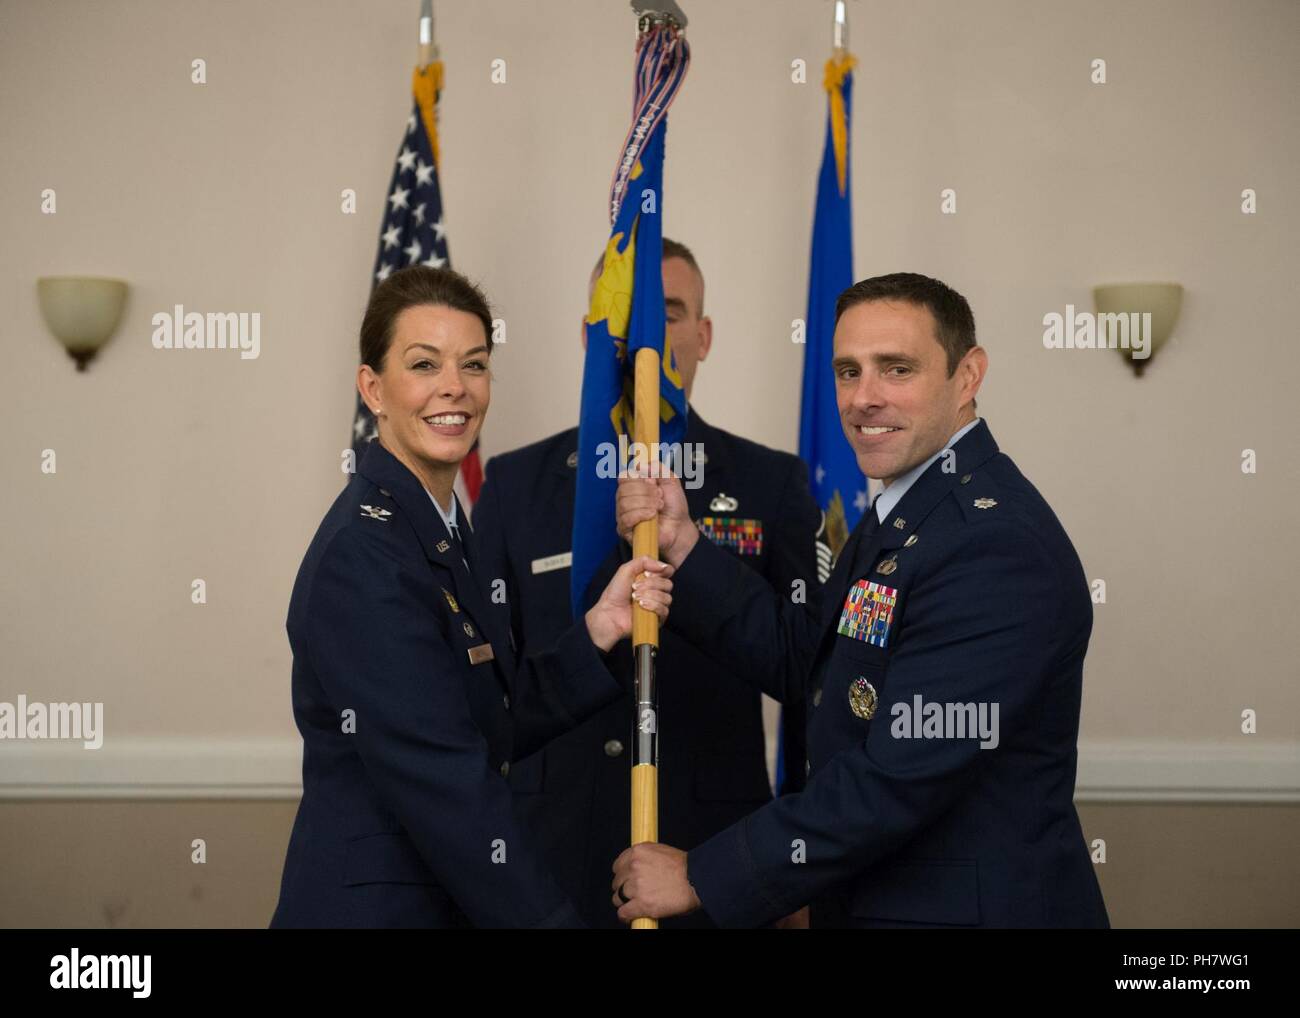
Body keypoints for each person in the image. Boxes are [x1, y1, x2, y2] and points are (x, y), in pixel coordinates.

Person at [611, 272, 1109, 928]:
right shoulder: (907, 513)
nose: (864, 398)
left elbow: (897, 777)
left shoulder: (993, 542)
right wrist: (683, 544)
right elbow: (809, 660)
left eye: (896, 369)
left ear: (969, 376)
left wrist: (705, 873)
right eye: (848, 372)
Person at [270, 266, 672, 928]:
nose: (454, 387)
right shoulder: (365, 557)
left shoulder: (442, 528)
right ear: (373, 388)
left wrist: (600, 628)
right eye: (424, 364)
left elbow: (489, 716)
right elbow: (447, 781)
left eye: (474, 364)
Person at [473, 239, 821, 928]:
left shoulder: (771, 483)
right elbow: (487, 690)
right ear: (589, 335)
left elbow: (810, 675)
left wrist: (796, 870)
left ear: (704, 335)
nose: (650, 338)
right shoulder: (514, 486)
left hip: (712, 859)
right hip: (550, 862)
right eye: (628, 316)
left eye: (670, 313)